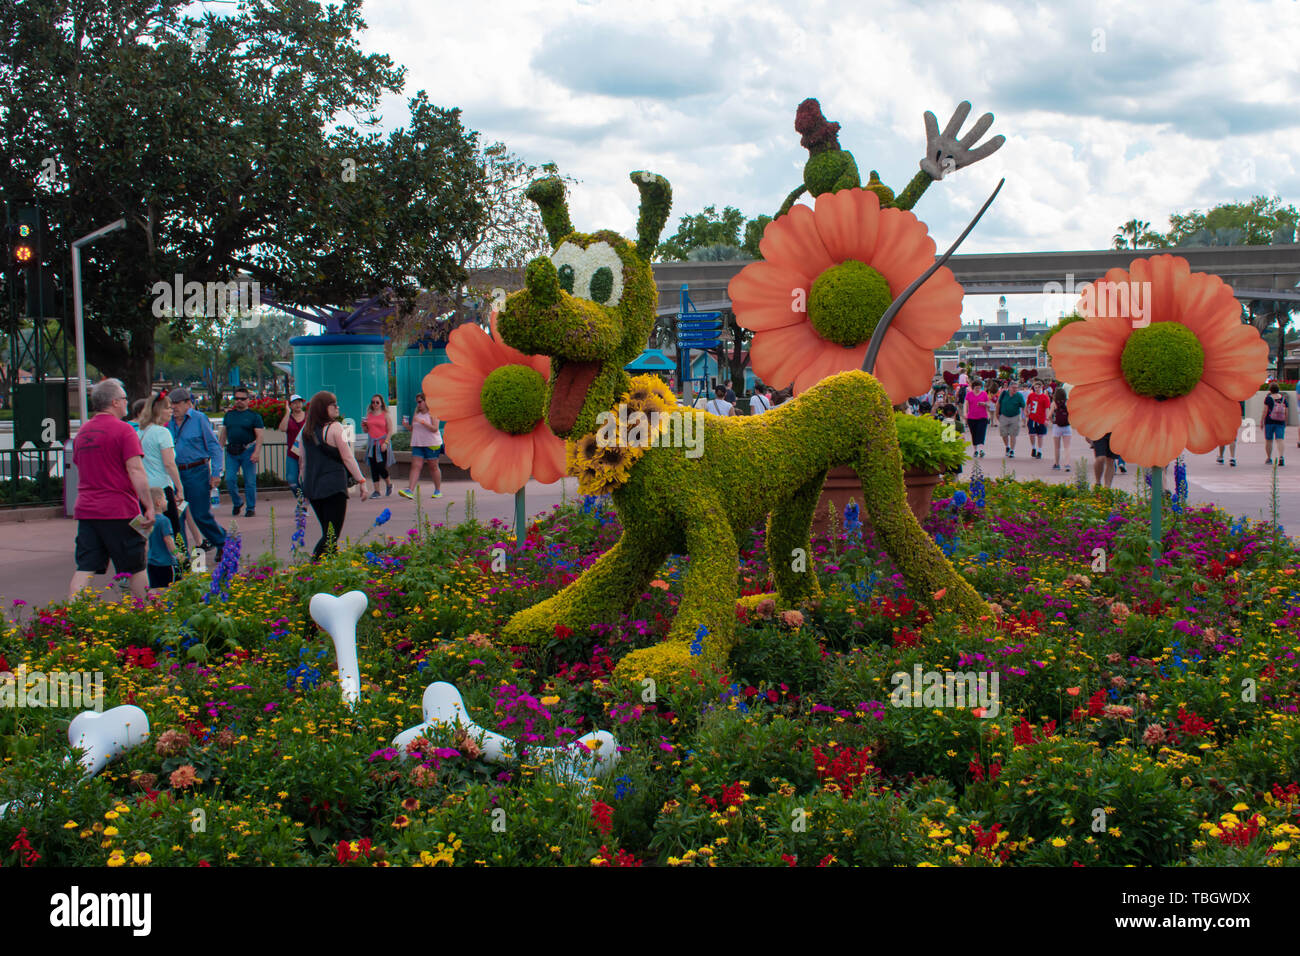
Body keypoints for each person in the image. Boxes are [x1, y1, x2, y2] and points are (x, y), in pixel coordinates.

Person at [69, 378, 155, 604]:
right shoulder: (124, 430)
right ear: (115, 402)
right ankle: (150, 612)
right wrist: (149, 505)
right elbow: (136, 470)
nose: (127, 403)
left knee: (85, 566)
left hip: (87, 510)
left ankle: (69, 615)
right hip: (119, 510)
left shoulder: (83, 433)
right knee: (136, 566)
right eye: (125, 398)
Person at [294, 392, 368, 560]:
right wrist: (361, 481)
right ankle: (312, 568)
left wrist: (305, 490)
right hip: (333, 488)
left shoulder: (306, 431)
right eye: (333, 404)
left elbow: (302, 463)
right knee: (331, 536)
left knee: (328, 532)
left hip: (314, 489)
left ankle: (331, 570)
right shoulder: (336, 428)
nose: (337, 407)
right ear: (323, 408)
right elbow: (348, 457)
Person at [167, 387, 227, 557]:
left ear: (188, 403)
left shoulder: (199, 419)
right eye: (171, 404)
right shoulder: (167, 421)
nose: (173, 407)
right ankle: (182, 556)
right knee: (177, 517)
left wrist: (216, 473)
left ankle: (222, 541)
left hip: (197, 471)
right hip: (175, 473)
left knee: (200, 514)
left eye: (177, 403)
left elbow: (215, 447)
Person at [137, 392, 186, 552]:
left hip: (144, 489)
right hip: (162, 489)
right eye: (167, 408)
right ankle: (181, 568)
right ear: (158, 411)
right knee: (173, 531)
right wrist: (179, 487)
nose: (171, 411)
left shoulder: (139, 433)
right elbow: (169, 463)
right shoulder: (163, 433)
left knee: (146, 533)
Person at [221, 386, 264, 517]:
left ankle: (250, 507)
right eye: (237, 398)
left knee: (250, 481)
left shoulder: (254, 417)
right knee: (229, 479)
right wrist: (218, 450)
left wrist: (256, 452)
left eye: (242, 399)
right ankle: (237, 502)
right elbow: (223, 434)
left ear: (248, 400)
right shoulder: (229, 415)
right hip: (232, 451)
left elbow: (260, 436)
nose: (239, 401)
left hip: (247, 451)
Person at [399, 393, 443, 500]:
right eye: (417, 402)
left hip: (431, 443)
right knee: (415, 466)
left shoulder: (433, 412)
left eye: (420, 401)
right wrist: (407, 426)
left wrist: (423, 422)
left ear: (426, 401)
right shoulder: (416, 413)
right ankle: (410, 490)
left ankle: (437, 490)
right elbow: (414, 429)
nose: (418, 404)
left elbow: (435, 428)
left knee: (433, 467)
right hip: (418, 443)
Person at [145, 487, 180, 590]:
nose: (167, 501)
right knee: (173, 588)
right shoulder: (164, 520)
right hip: (166, 562)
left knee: (155, 588)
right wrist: (177, 553)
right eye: (165, 498)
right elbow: (168, 539)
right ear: (158, 502)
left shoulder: (148, 521)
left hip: (152, 562)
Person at [363, 393, 395, 498]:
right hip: (372, 444)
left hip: (382, 444)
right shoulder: (369, 415)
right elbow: (366, 430)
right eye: (373, 402)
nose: (375, 404)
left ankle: (389, 484)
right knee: (373, 468)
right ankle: (377, 491)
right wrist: (364, 426)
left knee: (381, 466)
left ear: (381, 403)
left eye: (377, 402)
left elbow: (390, 430)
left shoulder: (385, 415)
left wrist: (386, 443)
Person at [279, 394, 307, 497]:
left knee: (305, 480)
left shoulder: (308, 416)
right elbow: (282, 428)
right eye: (294, 403)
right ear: (290, 405)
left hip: (306, 454)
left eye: (299, 402)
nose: (298, 405)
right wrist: (287, 412)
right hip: (293, 454)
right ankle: (301, 500)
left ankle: (303, 504)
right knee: (292, 480)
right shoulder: (289, 418)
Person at [996, 379, 1026, 458]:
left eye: (1016, 388)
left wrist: (1025, 417)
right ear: (1009, 388)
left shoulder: (1019, 395)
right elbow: (998, 404)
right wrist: (997, 414)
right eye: (1013, 388)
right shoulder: (1004, 394)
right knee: (1003, 433)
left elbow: (1023, 406)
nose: (1015, 389)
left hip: (1015, 416)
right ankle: (1007, 446)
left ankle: (1012, 450)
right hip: (1004, 416)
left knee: (1013, 434)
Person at [964, 377, 991, 457]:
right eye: (976, 388)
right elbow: (966, 404)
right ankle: (975, 450)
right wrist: (965, 413)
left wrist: (984, 404)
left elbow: (989, 405)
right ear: (973, 387)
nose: (978, 389)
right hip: (971, 417)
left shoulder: (984, 394)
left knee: (981, 432)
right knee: (974, 433)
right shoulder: (969, 394)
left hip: (982, 416)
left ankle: (981, 449)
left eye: (979, 387)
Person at [1024, 380, 1051, 459]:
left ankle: (1039, 451)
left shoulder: (1045, 397)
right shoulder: (1031, 395)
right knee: (1031, 434)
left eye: (1038, 387)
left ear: (1041, 387)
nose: (1037, 389)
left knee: (1040, 436)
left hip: (1041, 418)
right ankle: (1033, 448)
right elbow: (1027, 404)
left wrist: (1047, 419)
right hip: (1032, 417)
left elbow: (1047, 409)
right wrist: (1025, 411)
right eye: (1035, 387)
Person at [1263, 383, 1288, 466]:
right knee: (1280, 439)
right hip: (1280, 422)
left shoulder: (1268, 398)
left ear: (1270, 390)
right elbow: (1286, 411)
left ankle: (1269, 458)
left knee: (1269, 440)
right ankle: (1281, 457)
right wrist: (1285, 421)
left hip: (1269, 421)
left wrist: (1262, 420)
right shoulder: (1283, 399)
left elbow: (1265, 410)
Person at [1217, 400, 1246, 467]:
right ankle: (1232, 458)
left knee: (1222, 440)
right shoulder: (1236, 401)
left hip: (1223, 422)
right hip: (1233, 422)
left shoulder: (1222, 401)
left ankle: (1221, 457)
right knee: (1233, 440)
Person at [1050, 387, 1072, 472]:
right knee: (1067, 447)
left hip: (1057, 427)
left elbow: (1049, 415)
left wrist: (1053, 422)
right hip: (1067, 426)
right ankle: (1067, 464)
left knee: (1057, 447)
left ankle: (1056, 464)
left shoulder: (1054, 403)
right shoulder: (1068, 402)